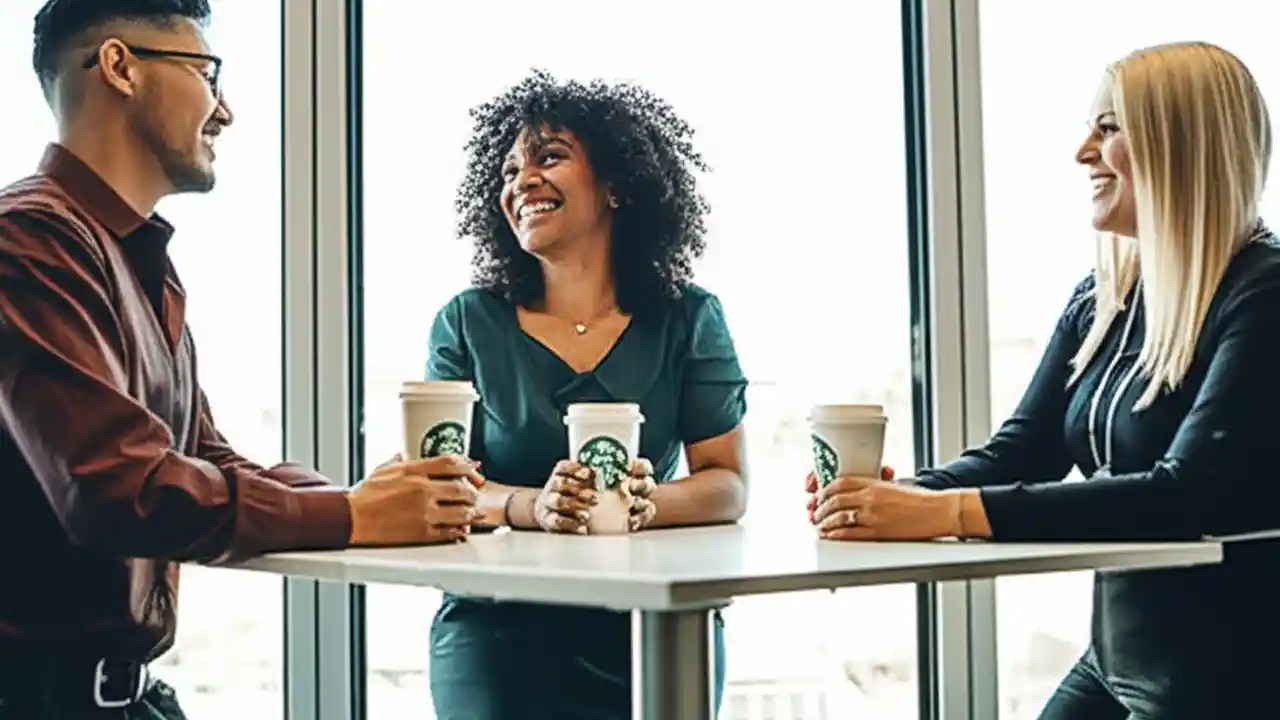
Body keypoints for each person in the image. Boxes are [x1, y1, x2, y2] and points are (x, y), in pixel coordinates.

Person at [0, 2, 481, 717]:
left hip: (122, 698)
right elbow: (120, 488)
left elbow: (206, 458)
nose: (224, 111)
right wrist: (349, 514)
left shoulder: (135, 262)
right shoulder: (29, 241)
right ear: (120, 67)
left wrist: (374, 500)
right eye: (207, 73)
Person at [808, 41, 1280, 718]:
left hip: (1231, 672)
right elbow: (1022, 453)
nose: (1083, 152)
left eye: (1109, 128)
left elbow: (1189, 495)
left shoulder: (1264, 293)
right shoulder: (1104, 300)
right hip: (1116, 659)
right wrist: (892, 497)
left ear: (1179, 142)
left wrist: (943, 512)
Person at [424, 70, 749, 719]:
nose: (522, 181)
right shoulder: (467, 323)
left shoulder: (689, 318)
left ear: (616, 186)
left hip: (653, 620)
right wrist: (531, 506)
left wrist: (643, 504)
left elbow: (727, 484)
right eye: (510, 171)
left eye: (549, 158)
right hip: (497, 628)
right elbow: (439, 486)